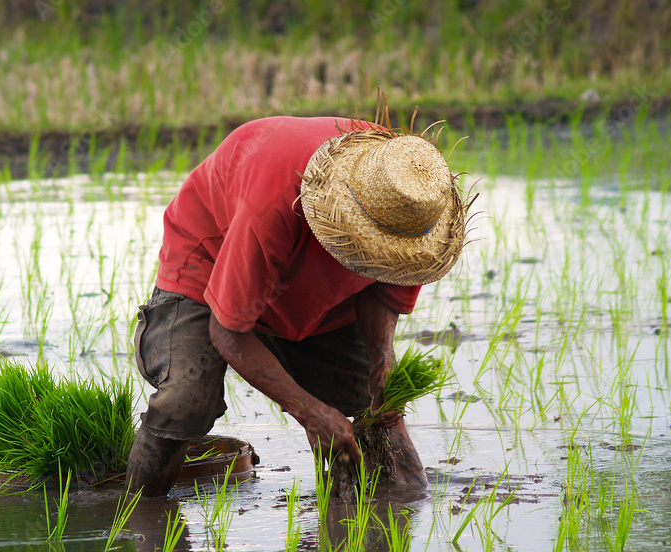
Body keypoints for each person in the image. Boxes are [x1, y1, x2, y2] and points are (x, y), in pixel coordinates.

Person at [126, 115, 468, 496]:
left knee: (370, 403)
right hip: (211, 260)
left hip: (309, 282)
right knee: (186, 401)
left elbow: (383, 293)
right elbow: (228, 332)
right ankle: (140, 519)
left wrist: (381, 362)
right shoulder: (275, 203)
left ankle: (367, 522)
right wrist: (308, 411)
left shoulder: (409, 199)